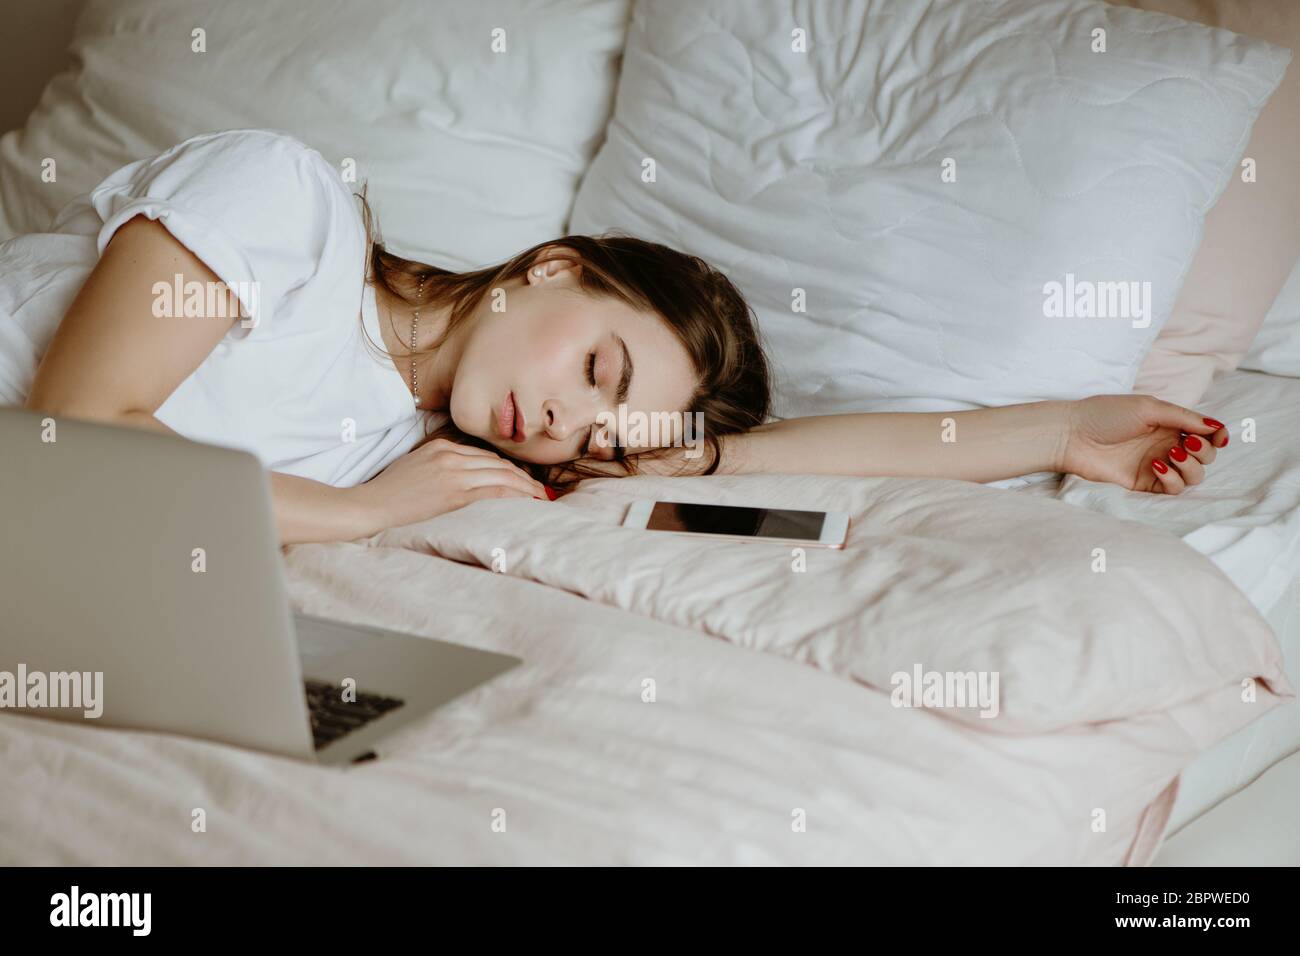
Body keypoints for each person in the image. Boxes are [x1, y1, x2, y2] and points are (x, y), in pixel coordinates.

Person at [19, 129, 1229, 545]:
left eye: (601, 430)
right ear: (554, 265)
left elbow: (766, 458)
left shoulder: (423, 440)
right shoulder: (285, 200)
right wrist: (367, 514)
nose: (567, 425)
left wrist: (1063, 428)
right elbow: (71, 442)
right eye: (599, 368)